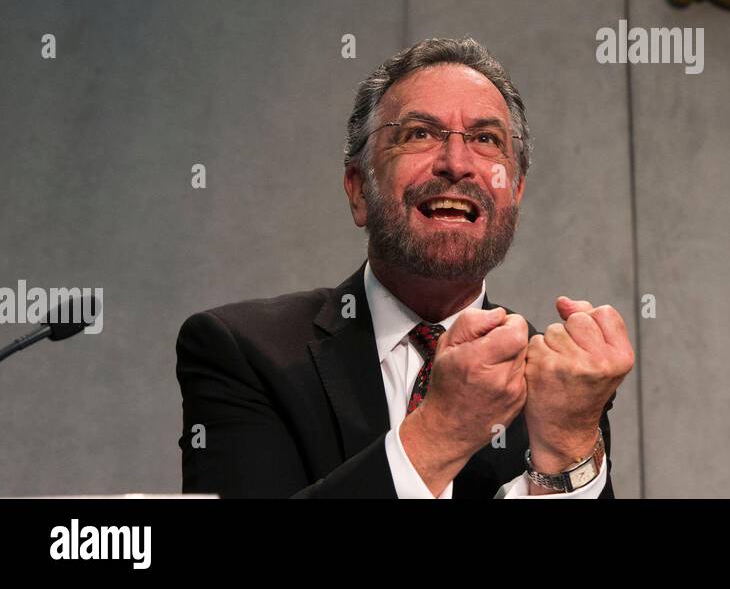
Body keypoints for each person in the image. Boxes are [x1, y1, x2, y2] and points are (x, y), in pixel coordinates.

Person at [176, 37, 635, 498]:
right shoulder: (244, 352)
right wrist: (441, 432)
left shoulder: (560, 383)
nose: (457, 164)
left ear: (514, 194)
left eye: (485, 139)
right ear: (358, 190)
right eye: (419, 134)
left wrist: (566, 444)